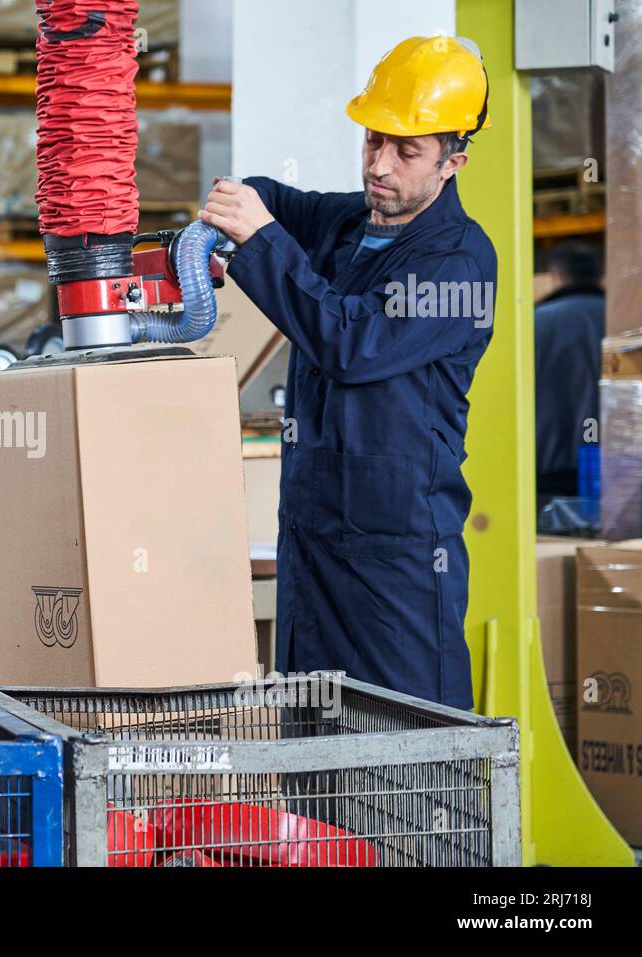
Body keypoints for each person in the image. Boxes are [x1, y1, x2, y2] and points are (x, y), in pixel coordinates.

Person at [200, 36, 497, 710]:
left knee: (405, 780)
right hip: (313, 551)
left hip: (397, 574)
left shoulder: (458, 263)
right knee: (315, 778)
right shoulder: (353, 221)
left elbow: (351, 341)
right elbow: (282, 201)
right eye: (372, 142)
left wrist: (260, 238)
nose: (379, 165)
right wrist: (237, 202)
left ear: (453, 162)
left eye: (405, 150)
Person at [534, 241, 605, 505]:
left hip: (549, 467)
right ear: (601, 275)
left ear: (555, 276)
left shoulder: (532, 324)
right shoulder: (628, 324)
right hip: (622, 470)